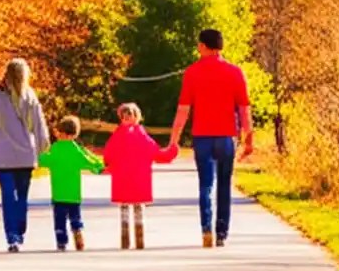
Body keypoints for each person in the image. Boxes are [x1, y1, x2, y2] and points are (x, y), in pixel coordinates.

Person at [167, 28, 252, 248]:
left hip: (202, 137)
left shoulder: (192, 73)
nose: (197, 48)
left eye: (199, 45)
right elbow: (244, 110)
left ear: (203, 46)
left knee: (205, 185)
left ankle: (206, 228)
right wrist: (248, 139)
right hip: (226, 137)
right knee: (224, 185)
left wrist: (174, 139)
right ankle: (221, 232)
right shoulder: (235, 72)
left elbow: (183, 110)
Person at [0, 58, 49, 252]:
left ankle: (11, 235)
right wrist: (42, 149)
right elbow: (39, 126)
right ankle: (20, 230)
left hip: (2, 155)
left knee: (7, 195)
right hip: (24, 156)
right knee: (22, 196)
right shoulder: (29, 96)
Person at [104, 103, 178, 250]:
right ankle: (140, 237)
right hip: (140, 181)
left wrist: (107, 166)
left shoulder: (117, 136)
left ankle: (125, 238)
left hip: (122, 180)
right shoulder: (143, 136)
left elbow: (108, 155)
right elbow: (158, 154)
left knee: (124, 209)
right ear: (137, 117)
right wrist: (172, 150)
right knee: (139, 209)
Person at [37, 115, 104, 251]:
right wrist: (98, 167)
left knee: (59, 221)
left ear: (61, 133)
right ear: (74, 134)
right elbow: (88, 161)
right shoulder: (76, 150)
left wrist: (38, 156)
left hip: (59, 193)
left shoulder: (55, 149)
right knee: (75, 216)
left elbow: (44, 160)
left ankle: (62, 242)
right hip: (74, 193)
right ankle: (77, 229)